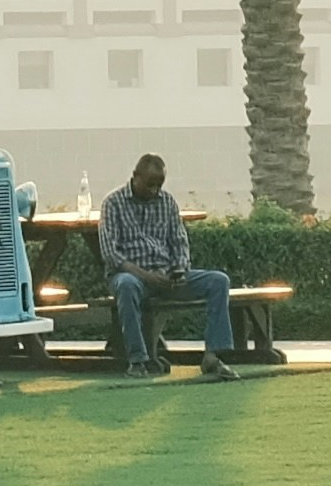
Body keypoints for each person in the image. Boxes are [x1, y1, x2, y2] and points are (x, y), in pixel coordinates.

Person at [101, 155, 241, 375]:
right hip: (133, 277)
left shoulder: (167, 202)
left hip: (167, 276)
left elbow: (179, 242)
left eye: (159, 185)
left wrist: (180, 270)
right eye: (150, 184)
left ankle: (213, 356)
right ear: (135, 177)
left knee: (218, 281)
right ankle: (138, 360)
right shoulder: (113, 203)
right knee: (125, 285)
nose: (155, 190)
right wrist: (147, 276)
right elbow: (111, 255)